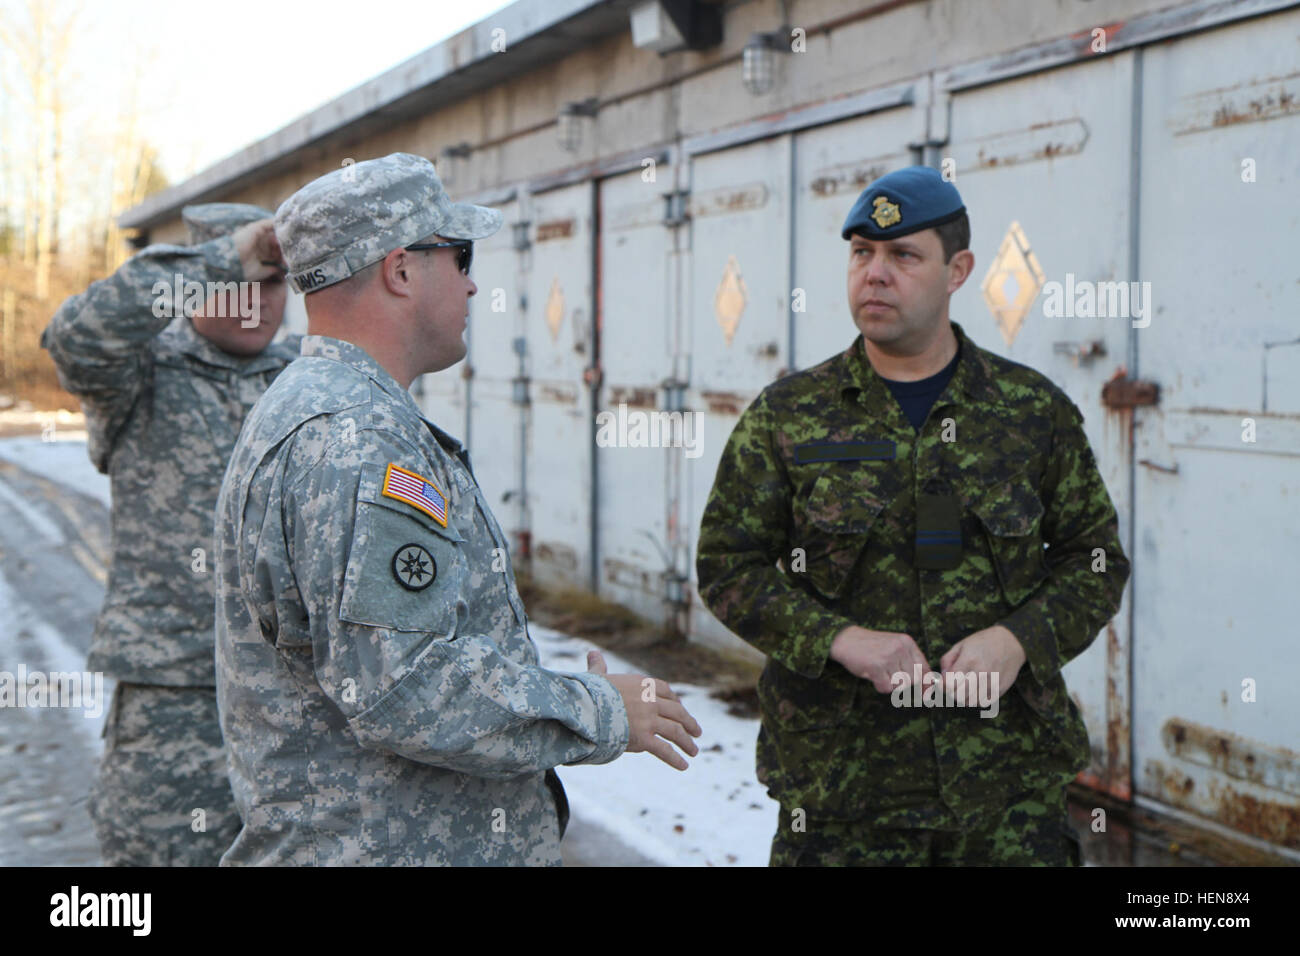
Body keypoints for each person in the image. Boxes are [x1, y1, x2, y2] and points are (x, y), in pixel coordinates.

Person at [213, 152, 702, 866]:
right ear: (401, 269)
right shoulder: (355, 438)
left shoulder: (320, 407)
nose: (473, 283)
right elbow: (405, 686)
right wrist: (599, 708)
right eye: (460, 256)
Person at [695, 165, 1129, 866]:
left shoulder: (1030, 413)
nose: (875, 274)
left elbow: (1095, 560)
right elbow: (726, 567)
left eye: (903, 255)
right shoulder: (790, 417)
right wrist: (838, 637)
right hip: (842, 798)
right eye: (861, 253)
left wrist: (1017, 640)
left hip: (1005, 793)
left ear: (958, 270)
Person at [40, 203, 299, 865]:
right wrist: (226, 257)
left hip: (295, 705)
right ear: (194, 283)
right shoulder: (142, 370)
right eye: (240, 282)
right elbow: (75, 336)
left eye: (273, 284)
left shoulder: (305, 378)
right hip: (176, 702)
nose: (257, 302)